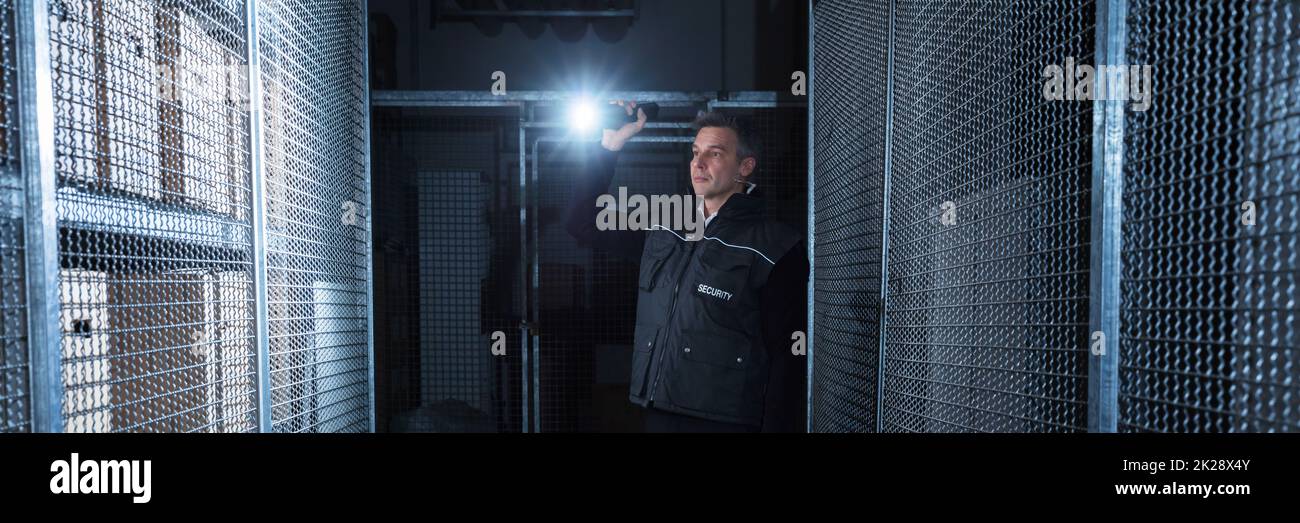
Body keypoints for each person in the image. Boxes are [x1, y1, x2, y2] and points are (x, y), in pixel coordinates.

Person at [565, 101, 808, 433]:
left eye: (715, 154)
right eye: (696, 153)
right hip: (660, 412)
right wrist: (609, 145)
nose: (698, 163)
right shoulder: (666, 225)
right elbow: (582, 222)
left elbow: (787, 355)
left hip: (727, 422)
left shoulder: (774, 247)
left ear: (745, 167)